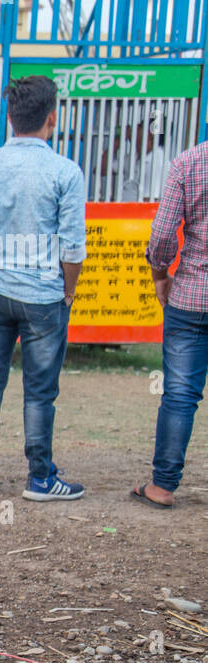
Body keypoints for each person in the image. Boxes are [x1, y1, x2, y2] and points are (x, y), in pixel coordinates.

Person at [0, 76, 87, 500]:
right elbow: (72, 248)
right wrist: (67, 292)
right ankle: (40, 478)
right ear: (51, 119)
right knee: (40, 389)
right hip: (44, 297)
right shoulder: (65, 172)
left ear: (11, 118)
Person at [131, 138, 208, 509]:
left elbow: (162, 234)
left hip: (192, 297)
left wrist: (160, 273)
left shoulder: (189, 163)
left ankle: (162, 486)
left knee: (179, 395)